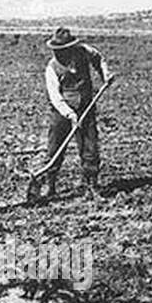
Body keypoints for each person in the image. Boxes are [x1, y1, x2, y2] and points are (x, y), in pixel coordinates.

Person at [39, 26, 113, 200]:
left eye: (64, 50)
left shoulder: (83, 51)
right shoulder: (52, 68)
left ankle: (91, 186)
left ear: (71, 47)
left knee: (90, 148)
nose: (61, 54)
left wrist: (105, 74)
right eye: (58, 51)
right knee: (55, 147)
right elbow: (56, 98)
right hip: (62, 111)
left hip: (86, 107)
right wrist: (69, 114)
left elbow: (99, 58)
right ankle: (50, 186)